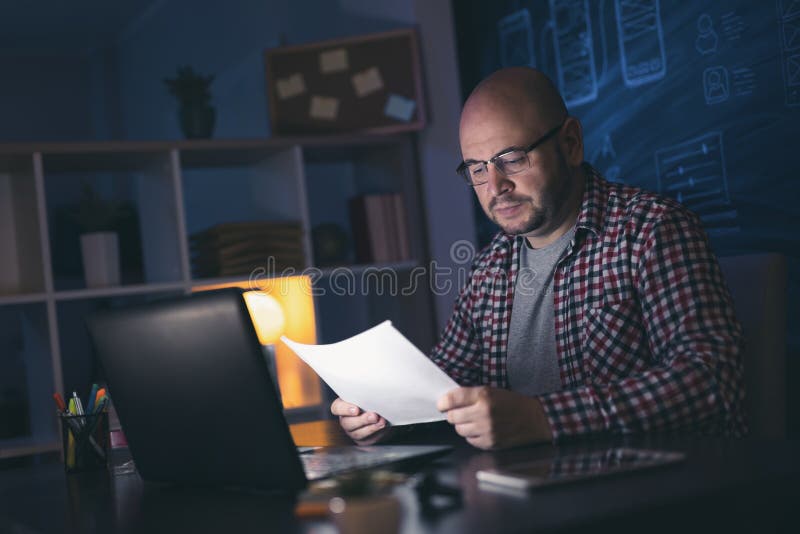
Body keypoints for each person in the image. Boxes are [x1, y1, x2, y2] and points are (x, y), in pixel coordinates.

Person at [331, 67, 746, 449]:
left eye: (511, 158)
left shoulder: (652, 230)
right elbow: (444, 388)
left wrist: (545, 418)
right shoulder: (490, 268)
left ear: (570, 143)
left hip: (651, 493)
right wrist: (384, 413)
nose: (496, 186)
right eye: (477, 169)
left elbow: (711, 378)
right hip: (532, 497)